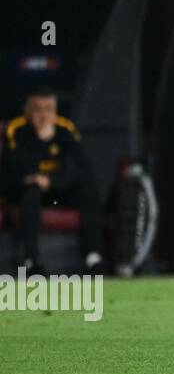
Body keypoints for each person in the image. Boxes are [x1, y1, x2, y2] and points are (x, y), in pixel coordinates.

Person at [2, 88, 104, 273]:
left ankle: (93, 258)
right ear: (27, 111)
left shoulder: (65, 128)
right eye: (37, 109)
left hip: (56, 189)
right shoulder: (16, 129)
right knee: (31, 191)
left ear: (55, 112)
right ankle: (31, 261)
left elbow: (83, 168)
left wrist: (52, 182)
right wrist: (40, 140)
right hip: (25, 191)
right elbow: (15, 169)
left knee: (88, 190)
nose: (43, 115)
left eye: (48, 109)